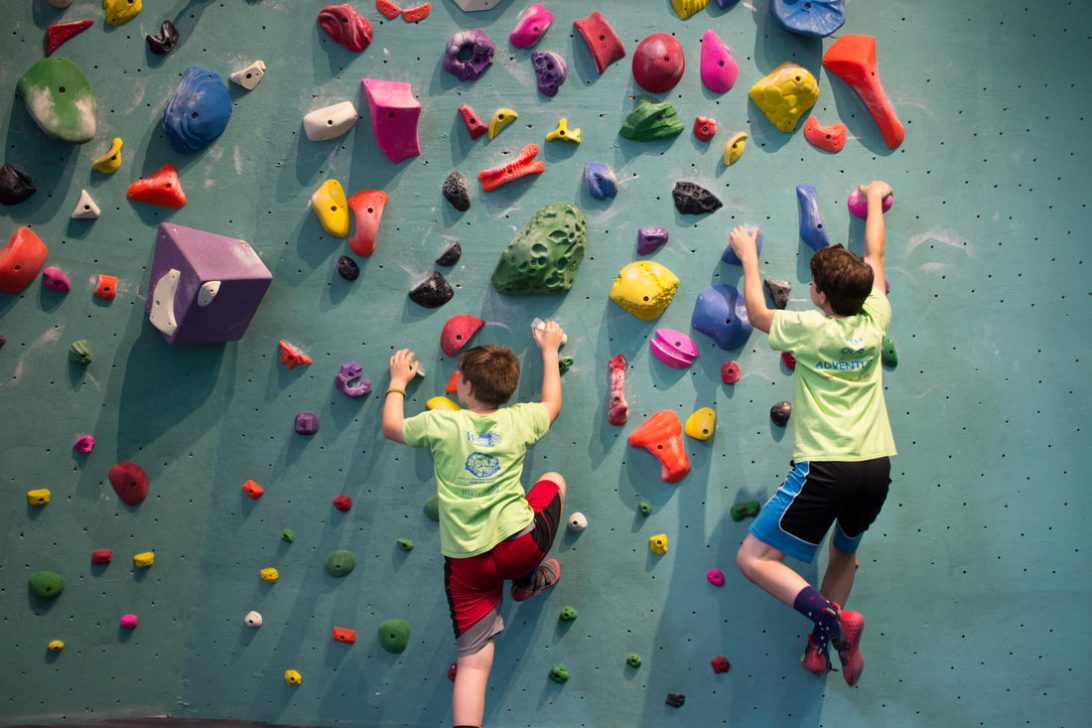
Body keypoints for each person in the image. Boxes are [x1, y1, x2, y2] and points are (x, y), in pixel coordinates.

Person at [730, 181, 897, 686]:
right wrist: (874, 199)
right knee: (844, 551)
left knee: (752, 558)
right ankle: (821, 647)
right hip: (876, 467)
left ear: (819, 295)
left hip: (826, 467)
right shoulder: (876, 318)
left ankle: (829, 618)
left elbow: (758, 314)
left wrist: (748, 257)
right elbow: (875, 251)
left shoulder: (809, 327)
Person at [381, 320, 567, 728]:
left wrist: (398, 382)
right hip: (520, 546)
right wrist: (550, 351)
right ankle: (525, 580)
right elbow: (552, 404)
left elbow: (392, 427)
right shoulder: (521, 419)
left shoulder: (440, 424)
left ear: (464, 387)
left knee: (473, 664)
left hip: (467, 566)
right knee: (554, 481)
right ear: (509, 390)